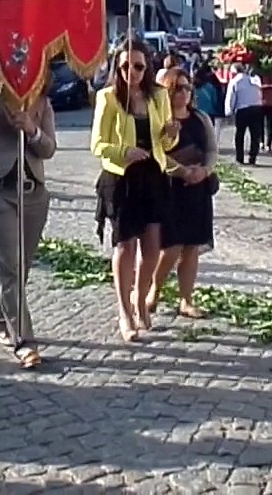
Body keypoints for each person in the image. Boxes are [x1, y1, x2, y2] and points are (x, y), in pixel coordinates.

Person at [90, 39, 181, 342]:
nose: (133, 71)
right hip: (122, 178)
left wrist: (170, 135)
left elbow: (166, 144)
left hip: (153, 176)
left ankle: (140, 300)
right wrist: (123, 152)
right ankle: (124, 313)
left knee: (152, 248)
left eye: (139, 66)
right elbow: (97, 145)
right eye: (127, 65)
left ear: (148, 67)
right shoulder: (109, 98)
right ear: (118, 67)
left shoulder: (158, 97)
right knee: (125, 246)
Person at [0, 72, 57, 368]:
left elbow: (48, 149)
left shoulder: (43, 103)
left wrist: (32, 130)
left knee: (22, 269)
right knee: (10, 269)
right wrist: (5, 87)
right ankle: (24, 342)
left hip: (33, 196)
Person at [148, 67, 215, 319]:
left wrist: (204, 171)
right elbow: (158, 153)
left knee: (192, 247)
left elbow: (211, 150)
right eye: (178, 88)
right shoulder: (160, 121)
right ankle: (154, 290)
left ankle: (186, 299)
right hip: (170, 189)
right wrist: (182, 171)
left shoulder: (200, 118)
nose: (184, 93)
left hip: (198, 190)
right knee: (172, 246)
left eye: (188, 88)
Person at [224, 63, 263, 165]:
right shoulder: (253, 79)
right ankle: (253, 157)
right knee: (255, 135)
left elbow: (230, 98)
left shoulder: (235, 82)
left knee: (240, 134)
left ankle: (239, 158)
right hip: (256, 108)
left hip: (242, 110)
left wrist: (229, 111)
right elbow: (259, 92)